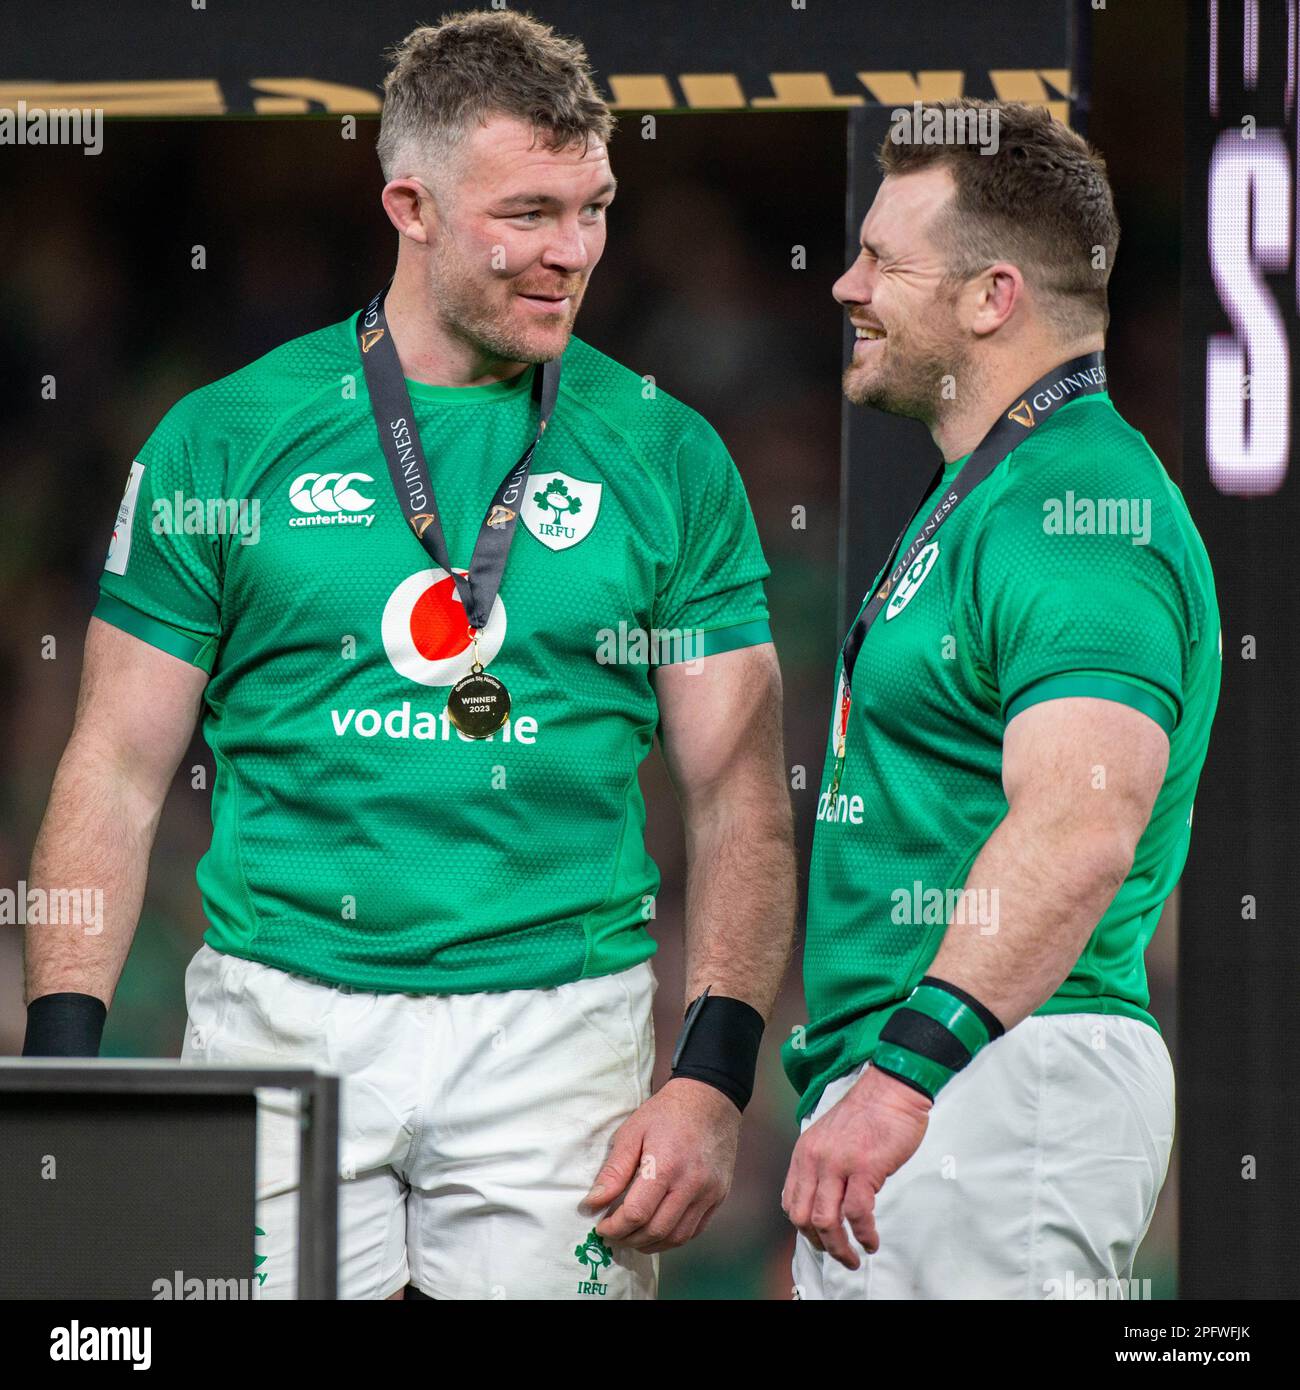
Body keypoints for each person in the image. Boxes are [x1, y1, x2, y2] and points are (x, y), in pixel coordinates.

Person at [23, 10, 794, 1301]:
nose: (573, 253)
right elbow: (110, 765)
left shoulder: (669, 455)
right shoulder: (225, 441)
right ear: (411, 205)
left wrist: (711, 1073)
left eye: (594, 208)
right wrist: (61, 1073)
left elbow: (739, 794)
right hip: (283, 1014)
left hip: (563, 1029)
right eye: (531, 213)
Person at [781, 99, 1220, 1300]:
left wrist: (900, 1078)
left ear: (991, 298)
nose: (844, 284)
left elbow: (1079, 826)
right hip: (961, 1087)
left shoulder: (1074, 508)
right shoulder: (996, 495)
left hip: (996, 1083)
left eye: (883, 258)